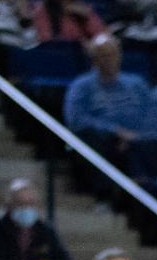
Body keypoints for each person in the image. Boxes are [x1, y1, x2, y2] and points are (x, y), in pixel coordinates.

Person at [63, 34, 150, 163]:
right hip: (103, 141)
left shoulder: (137, 83)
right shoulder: (81, 86)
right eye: (104, 55)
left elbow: (152, 113)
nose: (110, 60)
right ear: (94, 60)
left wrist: (135, 137)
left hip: (139, 139)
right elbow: (76, 119)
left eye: (113, 54)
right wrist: (116, 132)